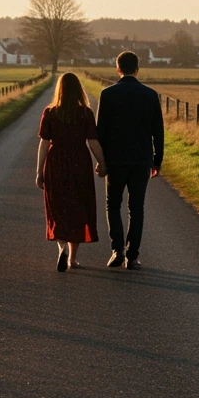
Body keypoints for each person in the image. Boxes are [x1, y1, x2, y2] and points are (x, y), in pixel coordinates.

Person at [94, 51, 164, 270]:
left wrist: (101, 160)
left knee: (113, 205)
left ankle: (117, 250)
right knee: (137, 208)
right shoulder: (151, 95)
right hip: (141, 160)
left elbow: (100, 132)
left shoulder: (107, 95)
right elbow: (158, 132)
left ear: (118, 69)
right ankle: (133, 256)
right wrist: (157, 161)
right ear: (137, 69)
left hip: (115, 160)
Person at [35, 72, 107, 272]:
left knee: (57, 207)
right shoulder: (85, 113)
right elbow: (93, 142)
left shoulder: (50, 112)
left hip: (55, 161)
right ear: (78, 90)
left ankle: (62, 247)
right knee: (78, 207)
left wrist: (39, 171)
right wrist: (103, 163)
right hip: (79, 162)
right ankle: (72, 259)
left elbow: (44, 143)